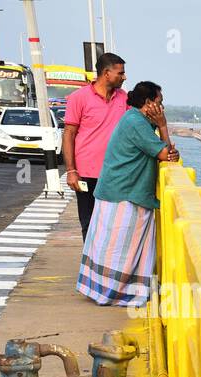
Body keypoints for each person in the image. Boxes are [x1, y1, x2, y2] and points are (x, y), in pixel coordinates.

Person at [76, 82, 179, 307]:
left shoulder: (135, 119)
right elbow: (166, 154)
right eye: (160, 103)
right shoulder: (136, 123)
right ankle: (110, 293)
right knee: (119, 248)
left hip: (120, 190)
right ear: (149, 103)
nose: (162, 109)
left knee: (115, 247)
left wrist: (166, 144)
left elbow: (166, 152)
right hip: (123, 193)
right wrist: (163, 125)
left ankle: (107, 290)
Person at [62, 52, 129, 238]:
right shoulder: (79, 97)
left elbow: (138, 129)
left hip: (115, 174)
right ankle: (90, 266)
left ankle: (107, 265)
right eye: (120, 73)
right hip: (85, 174)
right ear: (106, 73)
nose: (124, 77)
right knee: (89, 224)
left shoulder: (125, 99)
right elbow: (69, 134)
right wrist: (70, 171)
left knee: (113, 225)